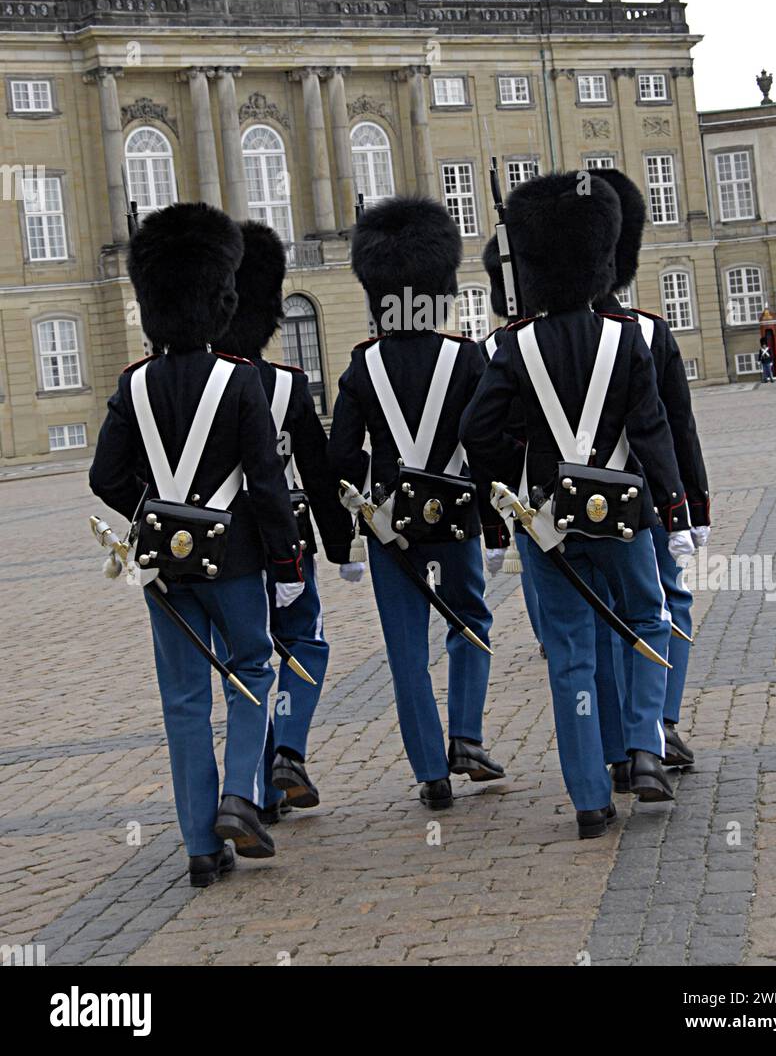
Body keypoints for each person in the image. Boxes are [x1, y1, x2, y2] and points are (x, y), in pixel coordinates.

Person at [461, 172, 694, 839]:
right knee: (647, 621)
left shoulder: (511, 346)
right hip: (624, 512)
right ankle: (646, 745)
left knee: (570, 655)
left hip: (548, 523)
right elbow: (651, 431)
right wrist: (674, 508)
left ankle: (590, 796)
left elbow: (478, 431)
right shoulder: (628, 340)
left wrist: (517, 483)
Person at [89, 202, 304, 887]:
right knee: (250, 671)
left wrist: (155, 518)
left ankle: (198, 847)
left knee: (183, 699)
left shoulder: (133, 384)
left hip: (163, 570)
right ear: (219, 302)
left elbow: (106, 477)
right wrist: (287, 560)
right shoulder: (240, 380)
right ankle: (239, 795)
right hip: (237, 562)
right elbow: (267, 486)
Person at [328, 196, 506, 810]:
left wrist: (347, 534)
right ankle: (466, 736)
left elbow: (342, 459)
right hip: (456, 518)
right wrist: (496, 521)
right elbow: (487, 445)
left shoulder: (361, 366)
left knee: (406, 650)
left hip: (387, 524)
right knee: (470, 623)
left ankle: (431, 771)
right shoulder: (467, 357)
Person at [213, 221, 354, 819]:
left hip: (223, 550)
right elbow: (318, 475)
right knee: (304, 646)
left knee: (247, 665)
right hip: (287, 539)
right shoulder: (286, 384)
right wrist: (342, 543)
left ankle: (264, 787)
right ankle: (288, 752)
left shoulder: (204, 384)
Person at [589, 168, 711, 785]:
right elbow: (674, 428)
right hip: (649, 502)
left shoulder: (533, 337)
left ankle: (620, 739)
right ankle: (658, 722)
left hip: (579, 505)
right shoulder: (645, 331)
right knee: (667, 605)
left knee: (607, 619)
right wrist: (694, 506)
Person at [481, 233, 543, 652]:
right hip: (540, 467)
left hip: (522, 475)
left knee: (534, 560)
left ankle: (549, 634)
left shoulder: (490, 348)